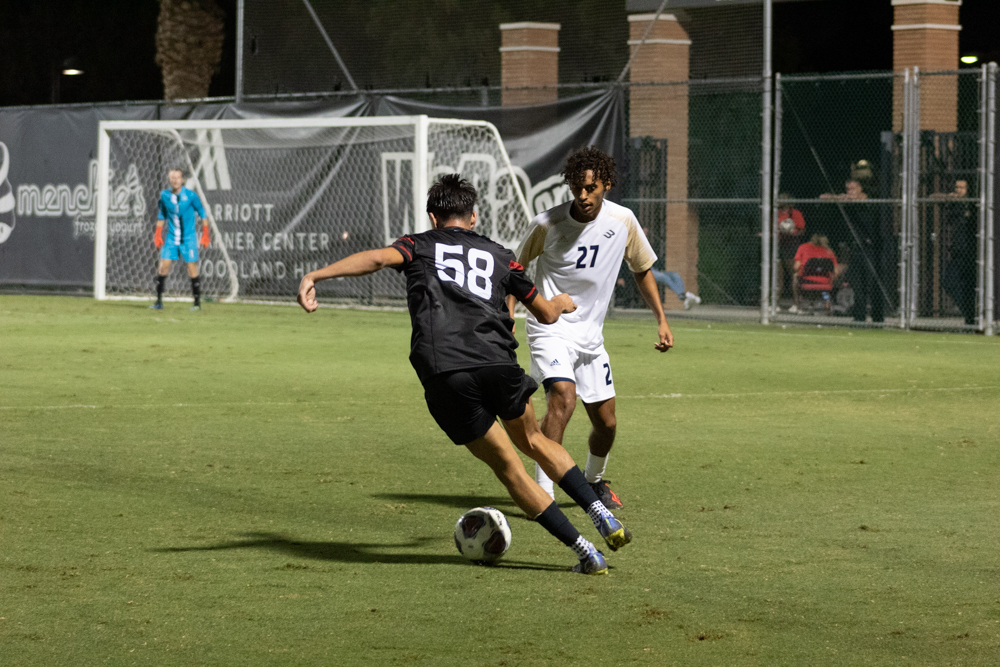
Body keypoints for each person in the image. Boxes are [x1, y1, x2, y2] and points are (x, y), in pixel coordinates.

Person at [297, 174, 631, 575]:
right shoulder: (501, 255)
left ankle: (585, 552)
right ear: (473, 217)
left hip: (445, 372)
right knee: (534, 439)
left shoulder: (417, 245)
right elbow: (544, 313)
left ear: (432, 217)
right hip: (497, 363)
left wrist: (316, 276)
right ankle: (597, 510)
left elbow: (377, 259)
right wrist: (559, 302)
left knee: (509, 468)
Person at [510, 146, 673, 509]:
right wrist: (508, 317)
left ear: (607, 185)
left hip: (590, 338)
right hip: (548, 326)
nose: (583, 196)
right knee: (563, 399)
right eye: (576, 188)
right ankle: (544, 491)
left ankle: (593, 480)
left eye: (591, 188)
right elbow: (514, 270)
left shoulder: (623, 221)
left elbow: (642, 269)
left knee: (607, 424)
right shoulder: (546, 224)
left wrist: (661, 319)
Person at [152, 168, 210, 310]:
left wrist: (205, 234)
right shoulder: (165, 196)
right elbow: (162, 215)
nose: (175, 180)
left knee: (191, 267)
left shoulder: (190, 196)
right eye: (172, 178)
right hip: (172, 237)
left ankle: (197, 303)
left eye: (177, 177)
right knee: (163, 266)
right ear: (169, 179)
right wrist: (158, 234)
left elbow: (202, 212)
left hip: (188, 238)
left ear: (182, 180)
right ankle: (158, 302)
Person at [938, 180, 977, 325]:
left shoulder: (973, 205)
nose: (959, 190)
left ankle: (971, 317)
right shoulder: (955, 204)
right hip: (957, 252)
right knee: (948, 281)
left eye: (962, 188)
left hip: (970, 252)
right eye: (957, 187)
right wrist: (948, 197)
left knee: (969, 285)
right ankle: (969, 311)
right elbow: (933, 198)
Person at [791, 234, 839, 313]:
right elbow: (836, 271)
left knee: (795, 277)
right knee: (825, 289)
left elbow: (796, 267)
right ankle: (827, 304)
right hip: (825, 282)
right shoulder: (828, 251)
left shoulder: (803, 247)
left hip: (806, 280)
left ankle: (797, 304)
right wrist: (832, 278)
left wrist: (796, 271)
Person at [775, 194, 806, 308]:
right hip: (778, 245)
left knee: (794, 274)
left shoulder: (795, 213)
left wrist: (792, 233)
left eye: (782, 200)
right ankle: (775, 303)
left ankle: (796, 304)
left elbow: (802, 230)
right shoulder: (775, 213)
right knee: (778, 276)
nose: (780, 202)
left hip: (791, 245)